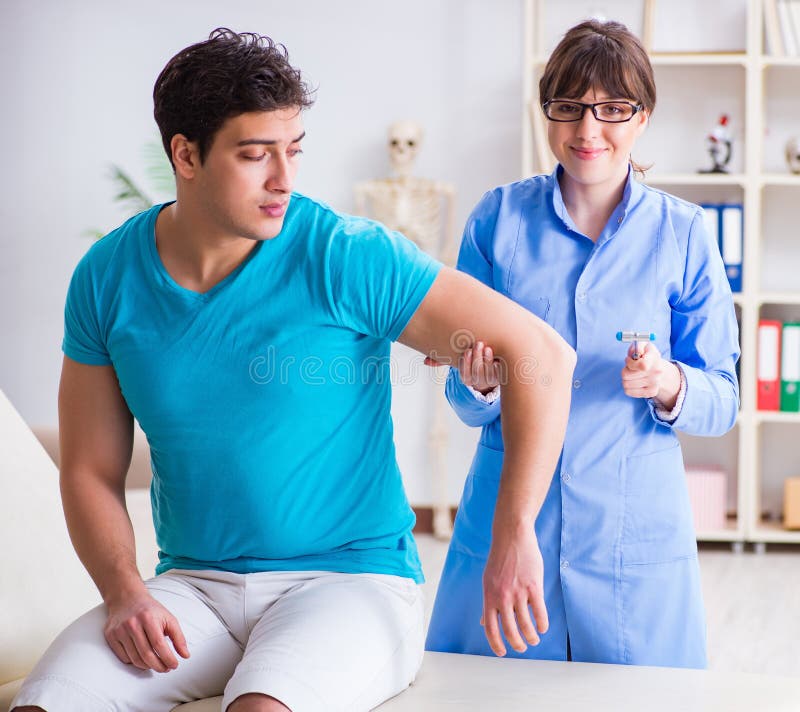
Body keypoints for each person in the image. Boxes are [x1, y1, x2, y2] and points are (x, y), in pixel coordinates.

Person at [11, 28, 576, 712]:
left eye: (294, 150)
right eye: (256, 155)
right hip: (193, 587)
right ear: (185, 155)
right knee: (44, 703)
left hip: (349, 583)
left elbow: (541, 355)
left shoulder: (343, 254)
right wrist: (125, 593)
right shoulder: (108, 277)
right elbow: (89, 470)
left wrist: (515, 534)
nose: (284, 177)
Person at [425, 19, 739, 669]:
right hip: (511, 520)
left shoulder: (684, 234)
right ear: (546, 113)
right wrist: (479, 382)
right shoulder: (498, 219)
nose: (588, 129)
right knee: (489, 696)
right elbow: (461, 391)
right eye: (568, 107)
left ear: (643, 116)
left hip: (632, 533)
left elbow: (723, 399)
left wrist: (668, 382)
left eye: (612, 109)